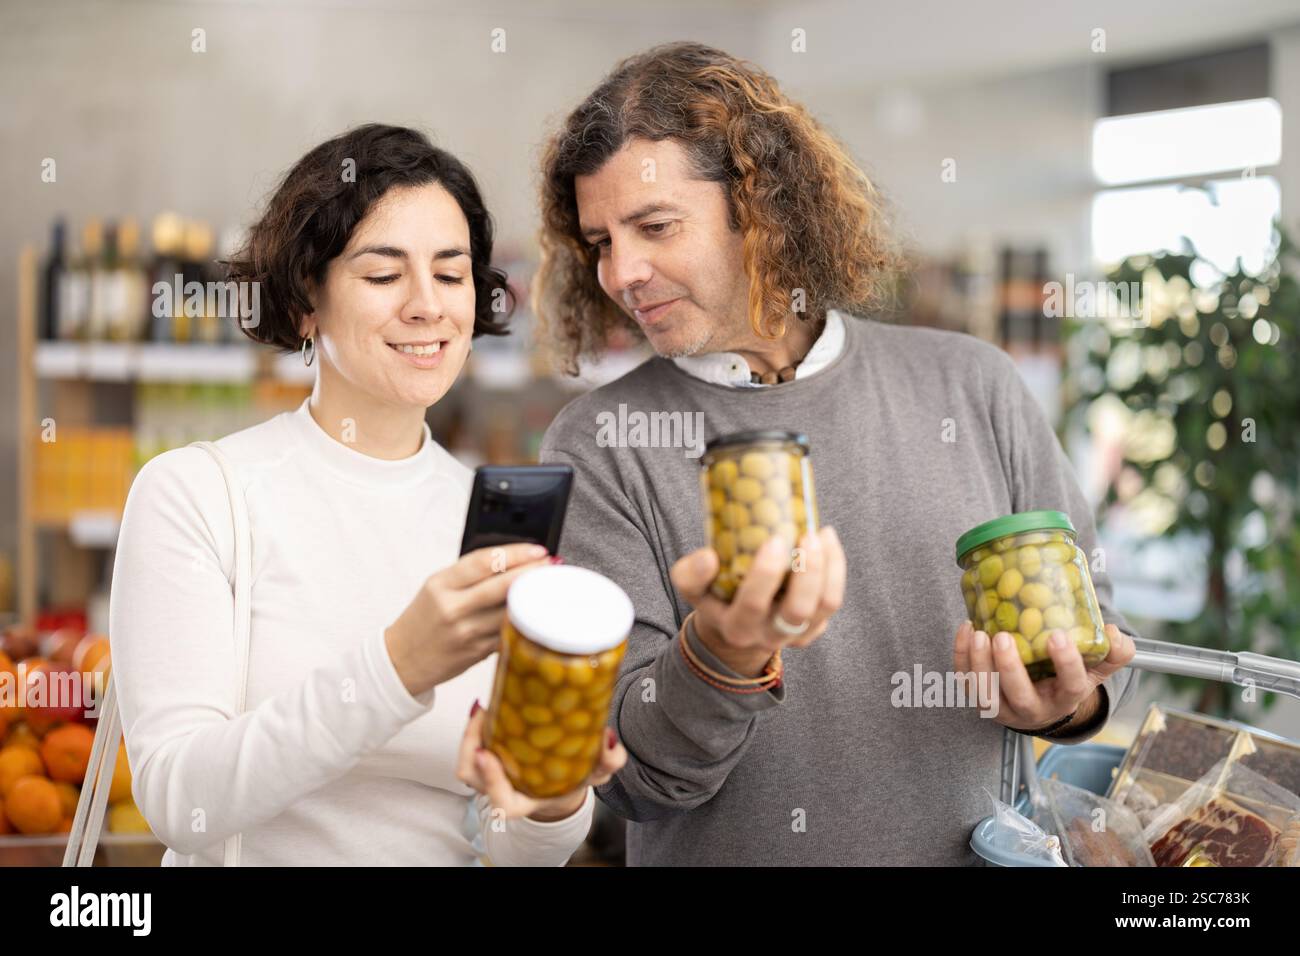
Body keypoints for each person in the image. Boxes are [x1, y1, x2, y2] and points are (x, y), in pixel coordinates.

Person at [534, 42, 1138, 865]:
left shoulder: (972, 385)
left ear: (762, 207)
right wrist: (722, 657)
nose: (621, 272)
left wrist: (1065, 705)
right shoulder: (599, 444)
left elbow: (1099, 635)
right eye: (601, 240)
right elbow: (628, 777)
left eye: (654, 227)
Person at [110, 124, 624, 866]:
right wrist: (396, 667)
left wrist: (554, 794)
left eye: (451, 276)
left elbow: (509, 843)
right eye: (384, 276)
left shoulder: (489, 516)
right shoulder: (197, 494)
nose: (427, 306)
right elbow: (176, 802)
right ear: (306, 300)